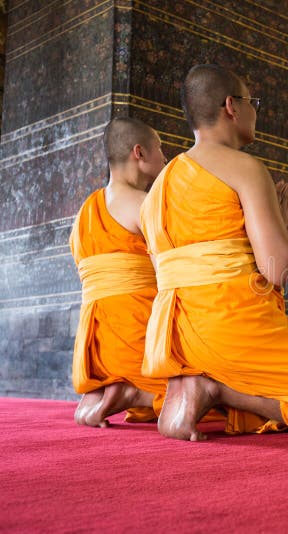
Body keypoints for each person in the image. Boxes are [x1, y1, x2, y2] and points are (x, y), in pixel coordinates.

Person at [140, 64, 288, 441]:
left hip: (175, 337)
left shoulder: (158, 187)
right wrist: (282, 226)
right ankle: (219, 390)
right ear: (231, 106)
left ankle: (206, 385)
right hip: (232, 327)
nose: (255, 110)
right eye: (252, 101)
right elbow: (277, 269)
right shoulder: (243, 168)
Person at [70, 116, 168, 427]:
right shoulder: (145, 204)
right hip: (137, 336)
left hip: (95, 348)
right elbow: (168, 275)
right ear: (139, 153)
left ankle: (106, 390)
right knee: (207, 392)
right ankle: (134, 393)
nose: (165, 158)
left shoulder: (85, 211)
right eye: (160, 149)